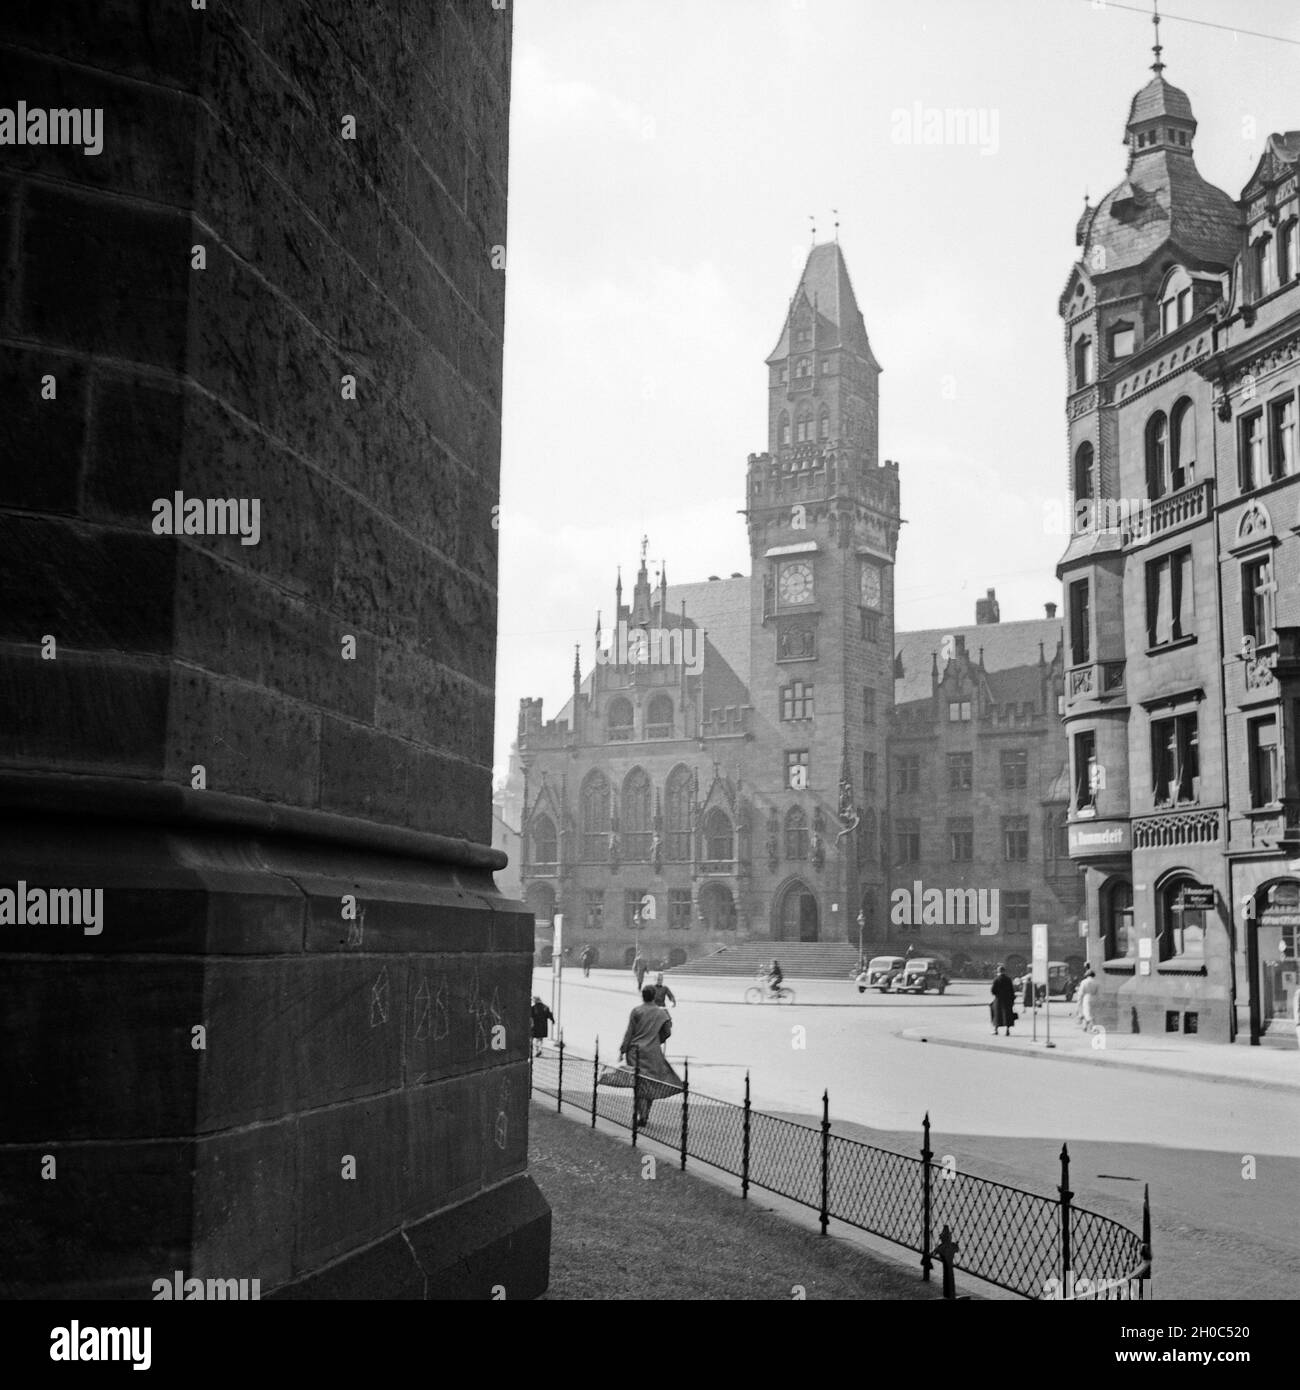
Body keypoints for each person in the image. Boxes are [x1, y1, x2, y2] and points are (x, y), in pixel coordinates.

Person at [620, 985, 682, 1126]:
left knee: (639, 1083)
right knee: (651, 1082)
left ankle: (640, 1113)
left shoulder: (636, 1011)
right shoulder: (662, 1013)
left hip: (636, 1052)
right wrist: (656, 1040)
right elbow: (667, 1032)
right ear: (654, 996)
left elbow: (629, 1032)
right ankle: (645, 1114)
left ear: (643, 996)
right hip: (653, 1052)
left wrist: (623, 1049)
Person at [990, 965, 1016, 1035]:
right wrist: (1012, 999)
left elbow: (993, 990)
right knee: (1007, 1015)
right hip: (1007, 1000)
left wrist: (997, 994)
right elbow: (1012, 990)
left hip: (998, 1000)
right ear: (1004, 971)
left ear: (998, 971)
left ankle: (996, 1030)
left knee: (997, 1015)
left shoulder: (996, 979)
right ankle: (1007, 1030)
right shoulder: (1008, 979)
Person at [1076, 966, 1098, 1031]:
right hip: (1094, 997)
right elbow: (1098, 992)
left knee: (1086, 1012)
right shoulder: (1096, 982)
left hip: (1086, 997)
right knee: (1092, 1013)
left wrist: (1079, 1002)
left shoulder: (1084, 982)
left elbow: (1081, 993)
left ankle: (1093, 1026)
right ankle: (1085, 1026)